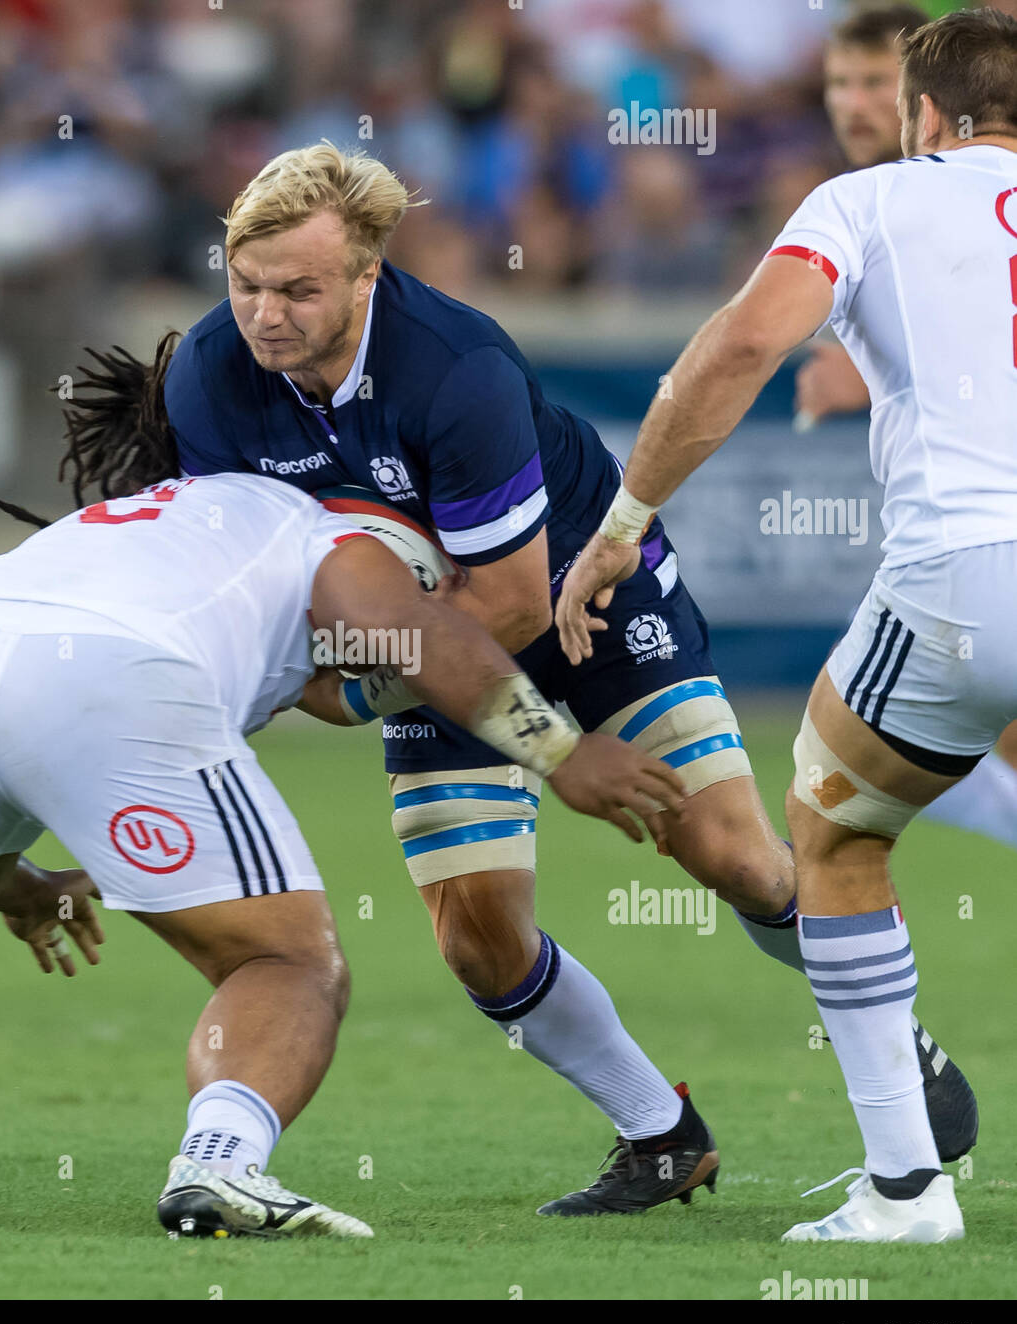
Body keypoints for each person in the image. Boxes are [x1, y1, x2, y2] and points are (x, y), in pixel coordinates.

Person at [151, 140, 971, 1216]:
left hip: (581, 595)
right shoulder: (208, 377)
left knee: (723, 848)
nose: (265, 314)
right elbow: (242, 566)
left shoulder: (454, 366)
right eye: (246, 285)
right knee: (478, 938)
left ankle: (879, 1019)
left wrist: (351, 693)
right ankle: (660, 1134)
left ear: (368, 275)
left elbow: (511, 607)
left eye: (299, 290)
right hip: (428, 637)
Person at [0, 339, 686, 1238]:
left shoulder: (132, 522)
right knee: (285, 961)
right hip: (116, 684)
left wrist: (24, 888)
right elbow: (416, 634)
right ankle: (220, 1168)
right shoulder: (324, 530)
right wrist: (561, 753)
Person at [556, 7, 1017, 1242]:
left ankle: (908, 1191)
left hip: (970, 571)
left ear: (925, 115)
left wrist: (623, 521)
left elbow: (736, 349)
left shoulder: (866, 203)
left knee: (831, 824)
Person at [796, 2, 1017, 853]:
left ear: (927, 99)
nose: (854, 104)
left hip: (963, 534)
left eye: (874, 85)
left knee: (833, 807)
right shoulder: (866, 196)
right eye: (838, 84)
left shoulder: (894, 194)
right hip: (941, 514)